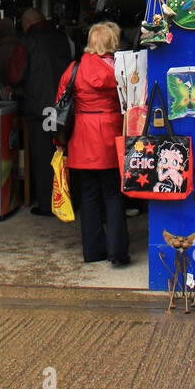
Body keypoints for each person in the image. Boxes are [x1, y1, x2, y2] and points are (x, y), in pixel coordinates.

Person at [55, 21, 130, 266]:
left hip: (82, 138)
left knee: (87, 197)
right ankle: (117, 253)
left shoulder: (74, 69)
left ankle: (93, 251)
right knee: (114, 195)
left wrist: (59, 141)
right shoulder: (122, 68)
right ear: (112, 43)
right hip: (112, 133)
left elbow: (60, 107)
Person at [8, 8, 72, 215]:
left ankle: (47, 204)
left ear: (27, 24)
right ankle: (70, 199)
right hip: (63, 106)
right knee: (64, 153)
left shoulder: (27, 41)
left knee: (44, 156)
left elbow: (15, 75)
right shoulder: (63, 38)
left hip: (39, 108)